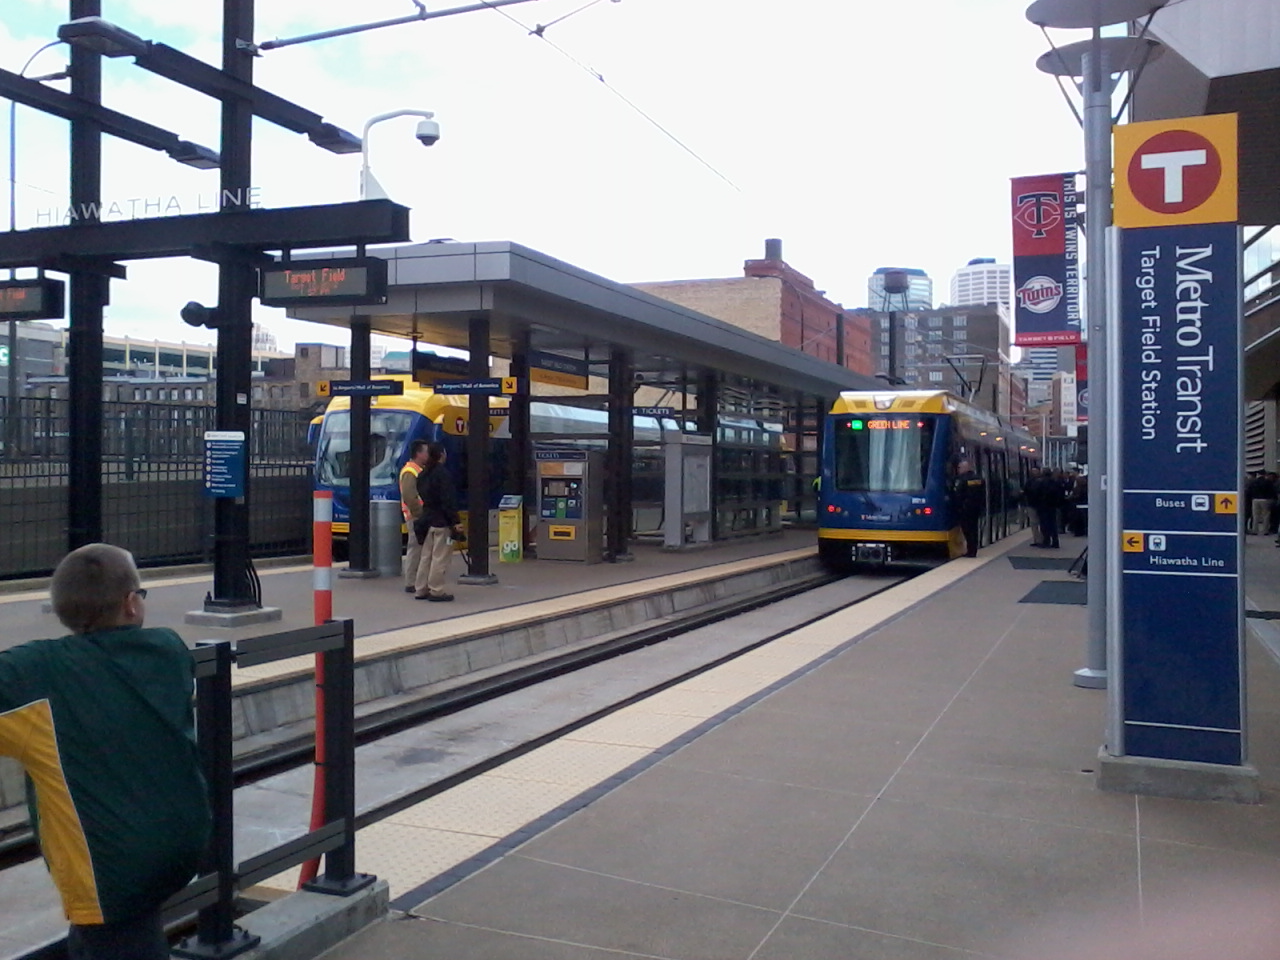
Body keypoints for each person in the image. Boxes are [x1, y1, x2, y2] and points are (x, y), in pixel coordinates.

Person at [0, 544, 210, 960]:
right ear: (131, 605)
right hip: (176, 849)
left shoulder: (37, 674)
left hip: (107, 873)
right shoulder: (168, 651)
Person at [413, 441, 464, 602]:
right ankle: (436, 590)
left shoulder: (422, 474)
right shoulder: (443, 475)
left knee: (425, 556)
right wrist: (455, 521)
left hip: (427, 520)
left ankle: (420, 588)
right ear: (442, 455)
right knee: (440, 557)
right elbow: (448, 500)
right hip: (441, 522)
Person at [399, 439, 431, 593]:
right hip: (415, 516)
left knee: (419, 548)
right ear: (418, 453)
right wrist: (419, 513)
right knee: (415, 548)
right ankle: (411, 581)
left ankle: (416, 579)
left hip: (418, 515)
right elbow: (409, 496)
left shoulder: (417, 470)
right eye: (426, 451)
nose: (428, 454)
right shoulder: (410, 472)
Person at [952, 459, 985, 558]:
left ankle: (971, 551)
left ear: (965, 468)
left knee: (967, 530)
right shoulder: (978, 478)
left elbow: (958, 494)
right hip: (976, 508)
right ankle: (973, 549)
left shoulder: (962, 479)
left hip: (965, 509)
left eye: (959, 468)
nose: (958, 470)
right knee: (974, 529)